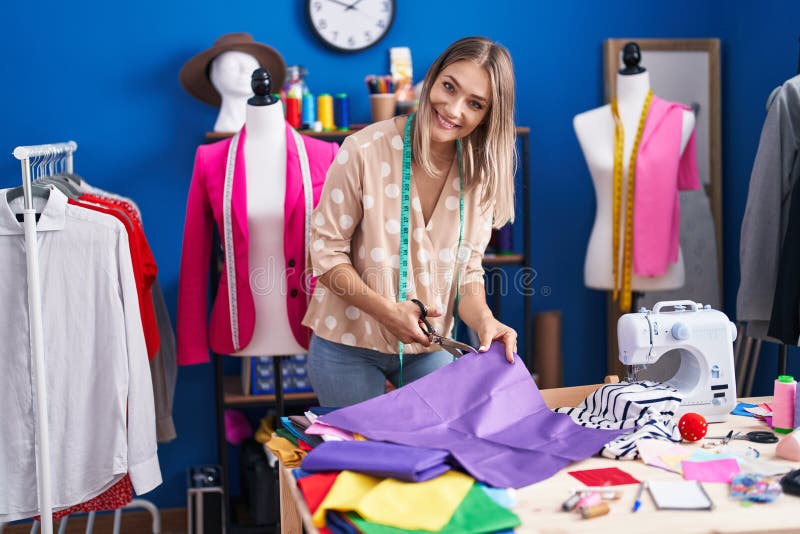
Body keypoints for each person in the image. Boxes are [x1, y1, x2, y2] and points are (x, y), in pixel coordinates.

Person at [302, 36, 518, 407]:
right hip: (346, 346)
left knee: (435, 456)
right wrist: (388, 313)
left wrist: (484, 320)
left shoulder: (481, 174)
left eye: (475, 103)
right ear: (432, 78)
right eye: (449, 86)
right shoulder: (363, 151)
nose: (452, 109)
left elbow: (467, 271)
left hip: (429, 345)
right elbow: (325, 253)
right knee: (361, 462)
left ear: (488, 114)